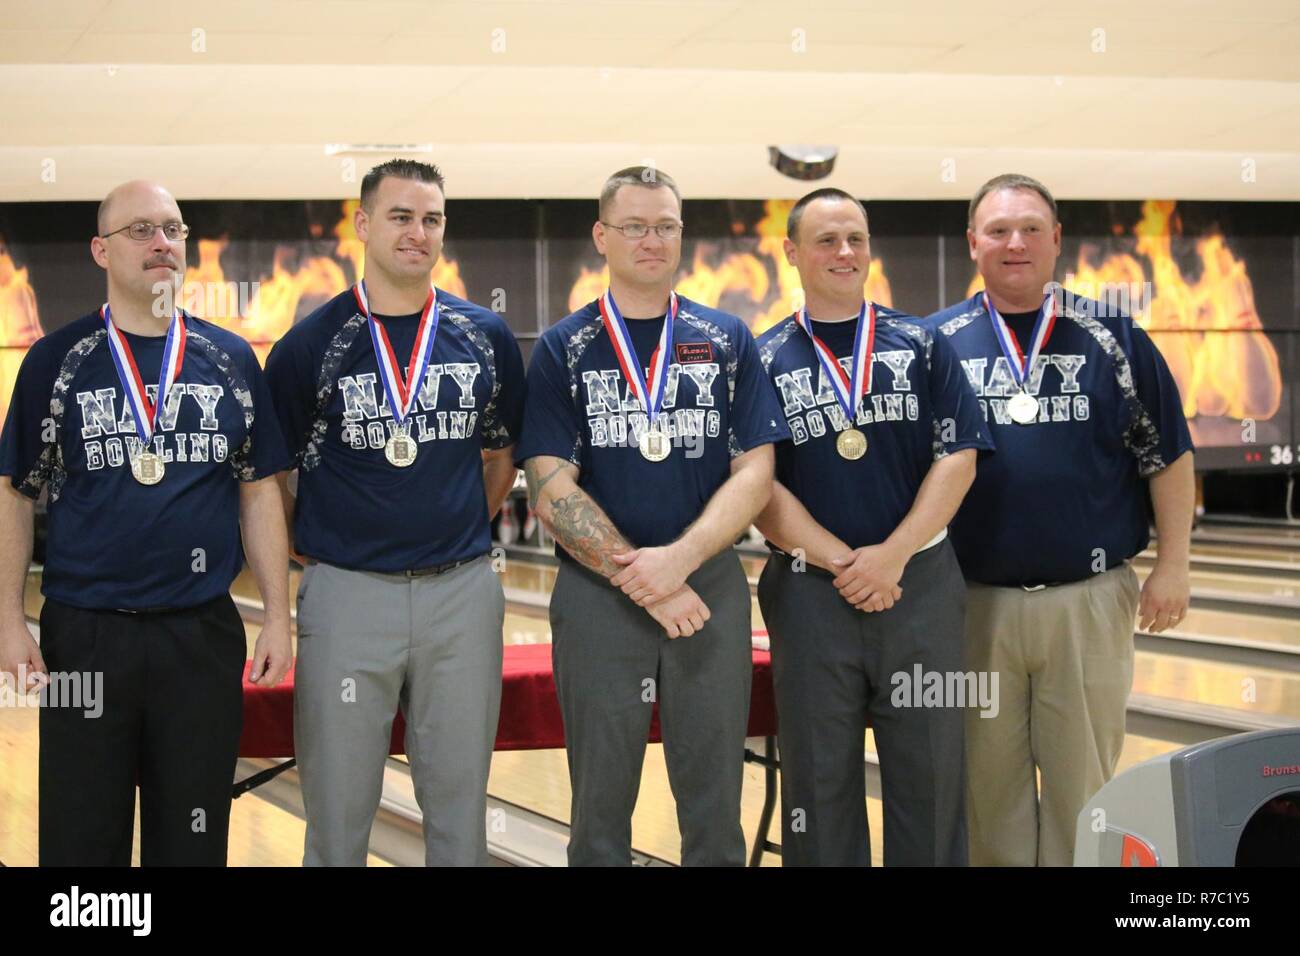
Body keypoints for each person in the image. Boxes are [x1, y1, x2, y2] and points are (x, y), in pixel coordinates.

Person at [0, 180, 292, 866]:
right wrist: (10, 621)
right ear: (101, 250)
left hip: (200, 632)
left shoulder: (230, 359)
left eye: (174, 229)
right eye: (141, 230)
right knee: (81, 837)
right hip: (85, 634)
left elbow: (258, 492)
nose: (162, 243)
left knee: (191, 837)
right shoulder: (56, 361)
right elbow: (16, 493)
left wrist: (278, 614)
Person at [516, 166, 789, 866]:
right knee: (599, 813)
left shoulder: (727, 337)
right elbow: (549, 485)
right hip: (599, 595)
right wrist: (645, 578)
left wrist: (680, 562)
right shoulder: (563, 347)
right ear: (602, 236)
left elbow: (756, 470)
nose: (651, 239)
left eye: (665, 225)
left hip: (710, 589)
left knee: (714, 807)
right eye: (634, 226)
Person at [926, 173, 1194, 866]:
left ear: (1056, 241)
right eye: (998, 230)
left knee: (1085, 792)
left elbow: (1166, 455)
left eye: (1031, 229)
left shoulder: (1115, 336)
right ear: (972, 244)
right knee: (989, 792)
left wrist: (1174, 565)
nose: (1015, 243)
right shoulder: (934, 343)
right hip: (971, 606)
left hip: (1088, 601)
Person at [264, 159, 525, 866]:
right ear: (363, 225)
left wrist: (459, 526)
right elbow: (269, 474)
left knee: (459, 812)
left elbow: (500, 455)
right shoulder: (310, 344)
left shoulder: (483, 335)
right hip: (348, 596)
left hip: (462, 595)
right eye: (401, 216)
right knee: (339, 814)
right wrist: (316, 546)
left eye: (432, 219)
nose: (418, 232)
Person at [752, 188, 992, 866]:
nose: (845, 252)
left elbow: (959, 458)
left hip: (920, 588)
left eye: (855, 238)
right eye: (826, 240)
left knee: (932, 776)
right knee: (817, 780)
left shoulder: (921, 343)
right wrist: (843, 562)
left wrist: (891, 556)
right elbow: (757, 485)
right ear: (792, 253)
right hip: (807, 593)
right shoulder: (763, 358)